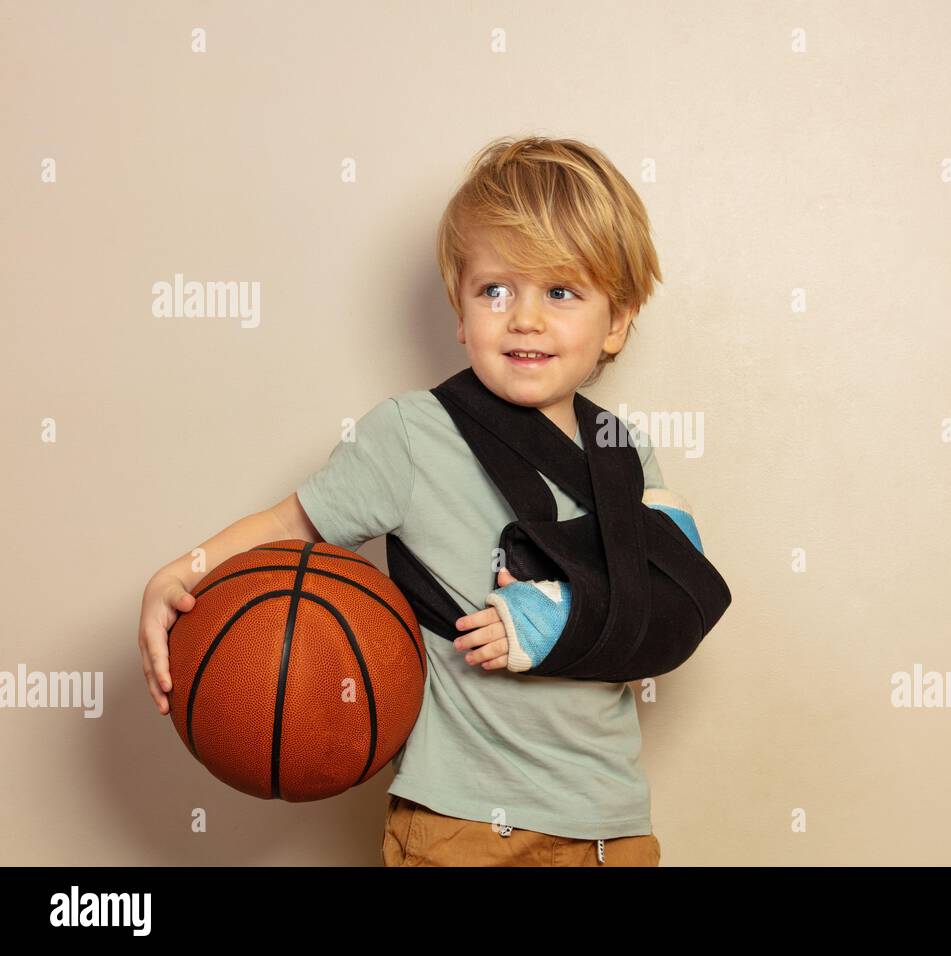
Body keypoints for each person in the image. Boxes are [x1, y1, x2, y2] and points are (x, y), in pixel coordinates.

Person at [138, 135, 715, 867]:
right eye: (495, 291)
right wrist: (181, 571)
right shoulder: (413, 435)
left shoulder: (625, 452)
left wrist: (552, 619)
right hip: (459, 823)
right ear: (460, 309)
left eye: (561, 291)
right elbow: (291, 526)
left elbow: (669, 607)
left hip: (609, 823)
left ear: (618, 320)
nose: (525, 318)